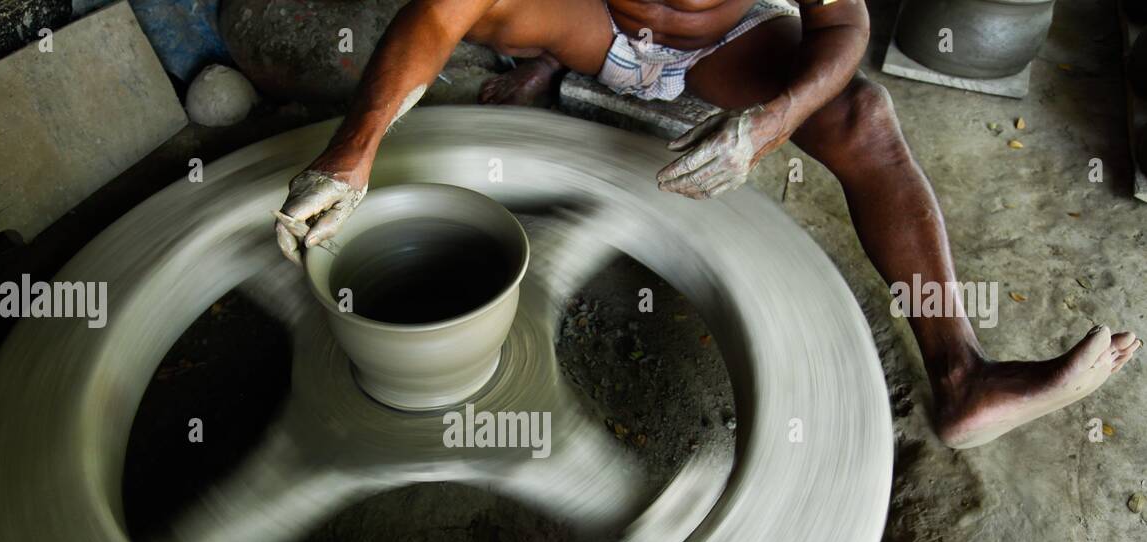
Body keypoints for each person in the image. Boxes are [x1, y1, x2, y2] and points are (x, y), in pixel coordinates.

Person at [275, 0, 1140, 448]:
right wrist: (352, 151)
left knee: (864, 120)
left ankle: (961, 376)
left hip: (722, 49)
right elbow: (439, 12)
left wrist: (770, 122)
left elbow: (842, 24)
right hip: (593, 25)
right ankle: (541, 65)